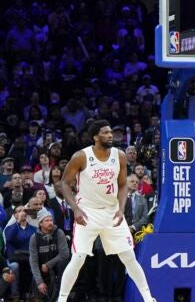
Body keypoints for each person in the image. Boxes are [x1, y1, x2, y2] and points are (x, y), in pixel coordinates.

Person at [56, 120, 155, 302]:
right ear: (95, 137)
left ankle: (149, 298)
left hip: (111, 212)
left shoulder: (120, 155)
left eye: (111, 132)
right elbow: (64, 183)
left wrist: (121, 208)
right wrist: (75, 209)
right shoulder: (81, 156)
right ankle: (61, 300)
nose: (110, 135)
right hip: (87, 212)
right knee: (78, 258)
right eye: (105, 132)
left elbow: (123, 185)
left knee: (129, 257)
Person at [29, 209, 69, 301]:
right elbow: (33, 261)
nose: (50, 223)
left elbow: (65, 254)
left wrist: (48, 264)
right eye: (46, 221)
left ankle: (61, 295)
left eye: (51, 220)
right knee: (39, 292)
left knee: (63, 263)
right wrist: (39, 282)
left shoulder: (59, 233)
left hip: (56, 266)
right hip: (41, 267)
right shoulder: (34, 238)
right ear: (40, 223)